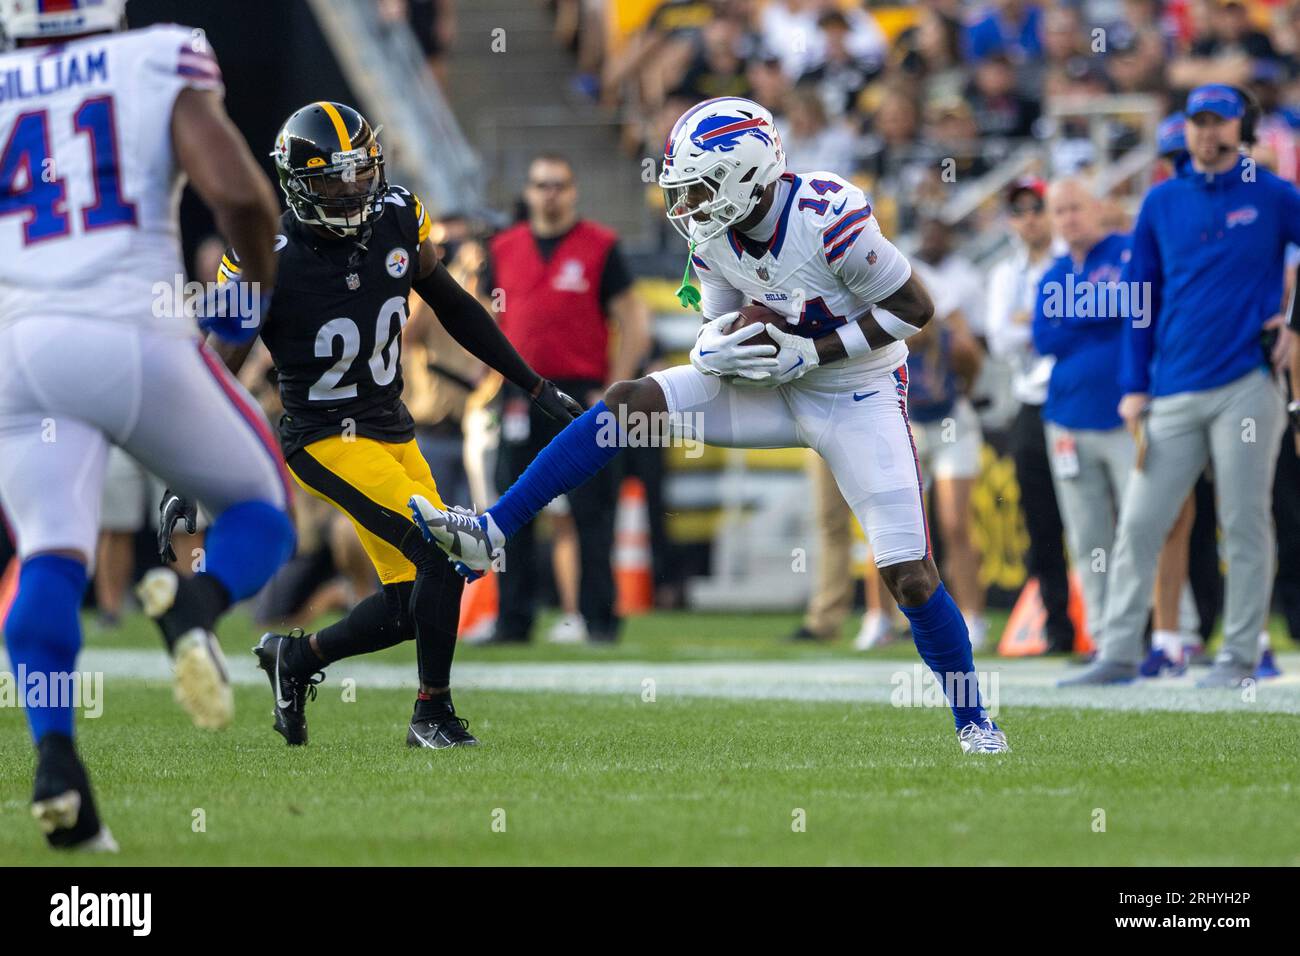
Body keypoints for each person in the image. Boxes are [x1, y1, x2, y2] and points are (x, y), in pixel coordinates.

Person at [415, 96, 1009, 754]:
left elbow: (913, 308)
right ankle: (490, 530)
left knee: (911, 576)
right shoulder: (711, 231)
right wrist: (712, 348)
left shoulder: (827, 211)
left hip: (855, 391)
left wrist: (811, 350)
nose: (687, 204)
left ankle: (975, 720)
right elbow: (719, 326)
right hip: (771, 386)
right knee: (627, 402)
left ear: (746, 172)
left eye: (699, 186)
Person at [0, 5, 296, 850]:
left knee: (50, 553)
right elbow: (239, 193)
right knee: (259, 506)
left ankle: (58, 766)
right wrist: (253, 297)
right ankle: (191, 605)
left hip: (17, 349)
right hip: (130, 330)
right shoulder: (155, 57)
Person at [198, 104, 580, 747]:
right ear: (296, 183)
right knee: (441, 549)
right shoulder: (270, 253)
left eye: (359, 175)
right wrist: (189, 467)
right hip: (322, 435)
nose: (350, 192)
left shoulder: (399, 216)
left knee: (414, 601)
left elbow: (455, 306)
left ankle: (296, 658)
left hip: (392, 427)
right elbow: (219, 364)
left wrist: (532, 383)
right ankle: (432, 714)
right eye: (330, 180)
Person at [1062, 85, 1298, 687]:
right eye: (1197, 121)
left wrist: (1295, 326)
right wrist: (1133, 385)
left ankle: (1240, 655)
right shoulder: (1161, 202)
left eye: (1218, 122)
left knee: (1244, 520)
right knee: (1141, 522)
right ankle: (1117, 652)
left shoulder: (1274, 195)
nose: (1205, 132)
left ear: (1242, 130)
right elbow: (1140, 299)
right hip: (1171, 388)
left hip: (1247, 380)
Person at [483, 153, 650, 644]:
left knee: (592, 507)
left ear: (573, 190)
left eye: (558, 184)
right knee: (512, 504)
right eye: (540, 185)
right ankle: (512, 619)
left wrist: (614, 388)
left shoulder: (600, 246)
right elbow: (488, 319)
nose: (549, 194)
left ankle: (600, 618)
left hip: (579, 392)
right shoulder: (504, 247)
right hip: (520, 389)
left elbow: (634, 322)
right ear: (529, 192)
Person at [1032, 179, 1133, 643]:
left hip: (1124, 414)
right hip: (1066, 416)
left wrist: (1073, 314)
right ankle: (1102, 634)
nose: (1069, 218)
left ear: (1096, 209)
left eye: (1076, 208)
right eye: (1059, 211)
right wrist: (1098, 315)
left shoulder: (1127, 252)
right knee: (1087, 535)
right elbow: (1044, 337)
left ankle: (1169, 630)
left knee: (1145, 527)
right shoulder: (1052, 274)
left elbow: (1134, 307)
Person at [985, 177, 1075, 654]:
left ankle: (1116, 627)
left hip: (1075, 397)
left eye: (1037, 207)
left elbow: (1073, 328)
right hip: (1030, 402)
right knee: (1041, 523)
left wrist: (1032, 323)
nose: (1029, 218)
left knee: (1092, 518)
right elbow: (999, 341)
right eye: (1019, 210)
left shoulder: (1072, 260)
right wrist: (1045, 324)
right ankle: (1059, 628)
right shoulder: (1005, 273)